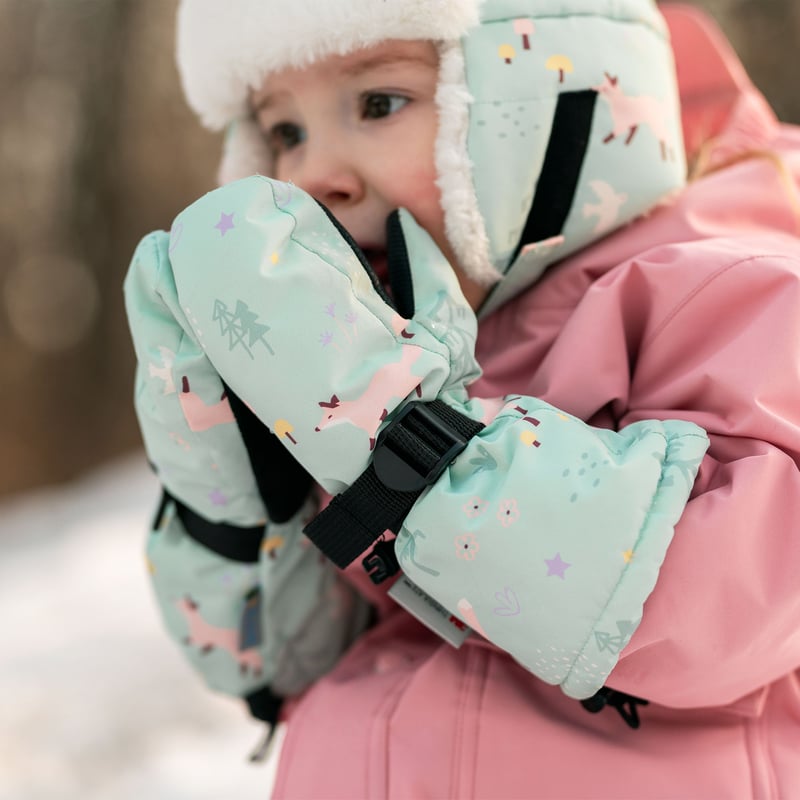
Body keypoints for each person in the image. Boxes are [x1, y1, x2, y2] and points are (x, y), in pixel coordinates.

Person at [123, 0, 800, 796]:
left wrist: (412, 439)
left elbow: (730, 603)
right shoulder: (370, 346)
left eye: (379, 103)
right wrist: (228, 478)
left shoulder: (734, 294)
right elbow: (280, 659)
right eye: (285, 132)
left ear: (546, 96)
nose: (311, 176)